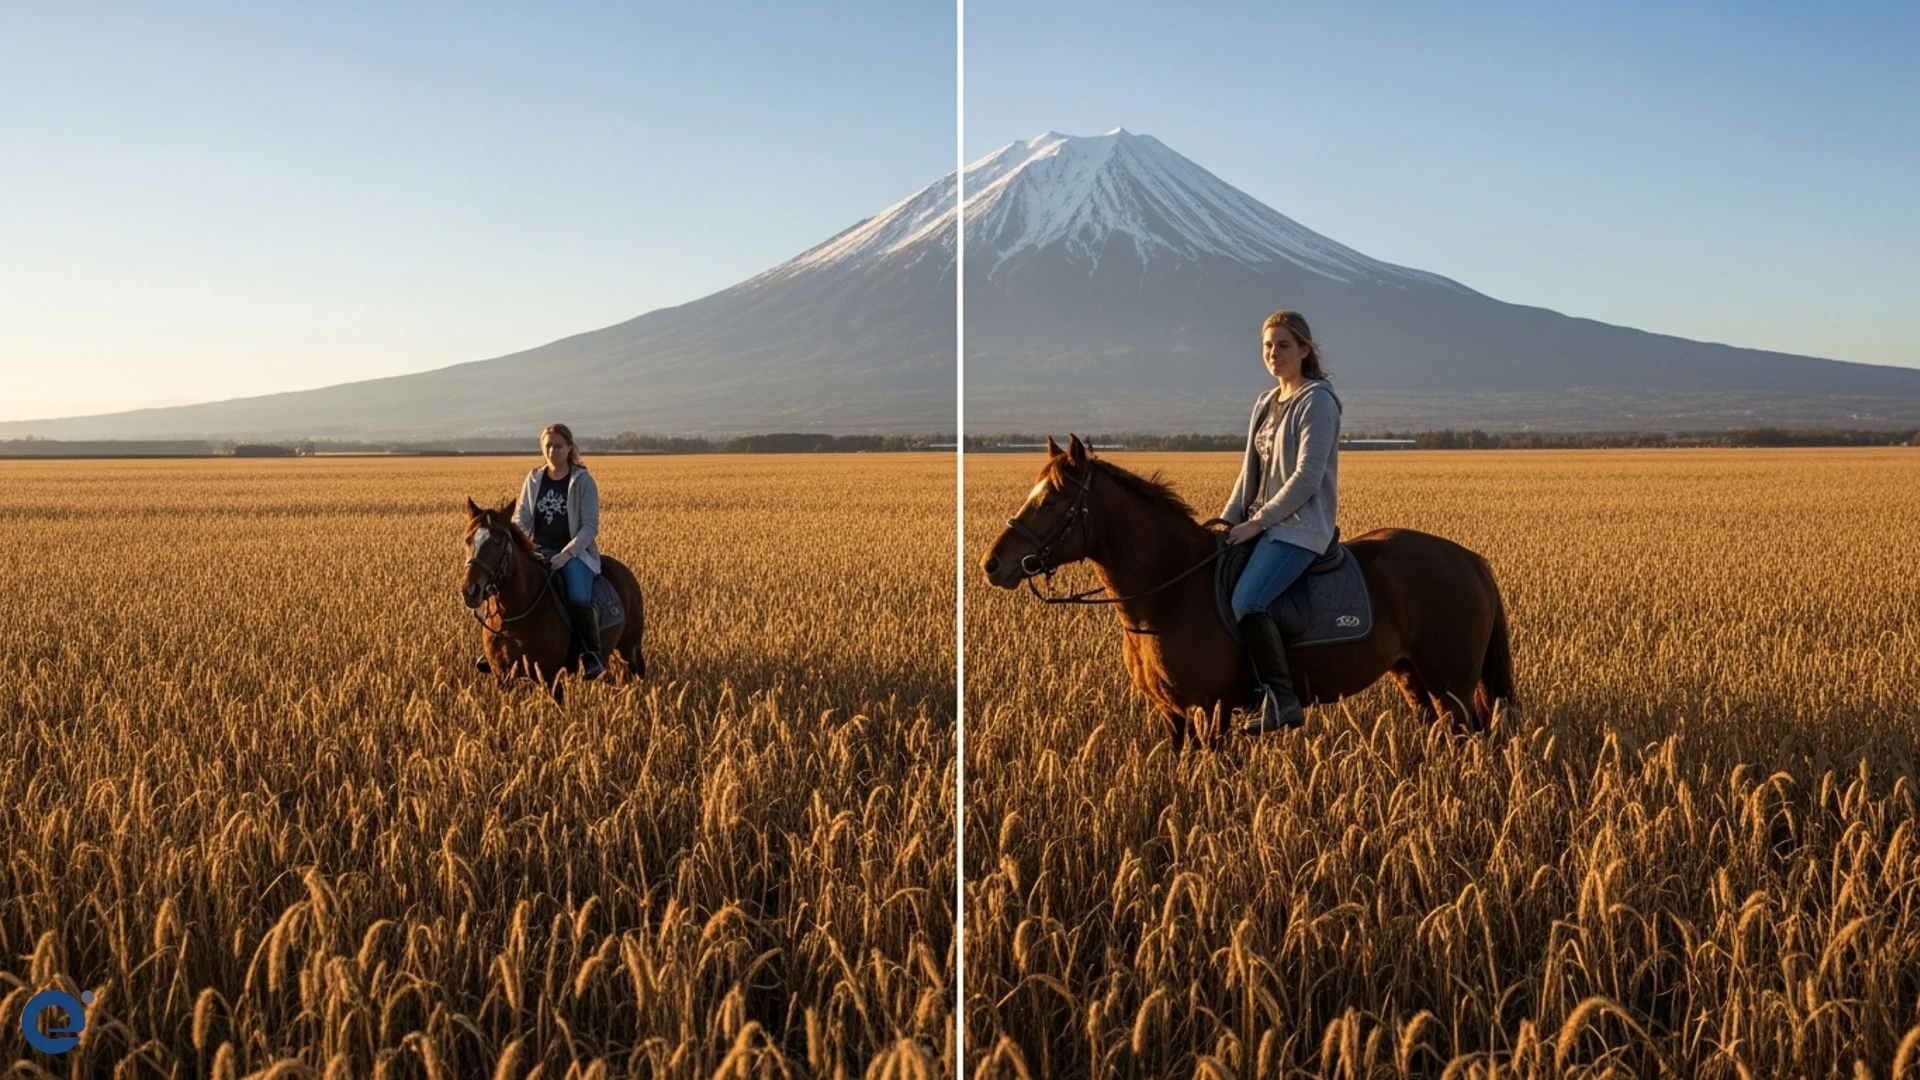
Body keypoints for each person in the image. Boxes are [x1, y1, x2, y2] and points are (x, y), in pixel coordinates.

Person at [1221, 310, 1342, 733]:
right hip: (1262, 523)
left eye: (1284, 345)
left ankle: (1282, 701)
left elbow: (1307, 478)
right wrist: (1226, 521)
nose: (1274, 353)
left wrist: (1259, 522)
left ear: (1305, 350)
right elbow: (1248, 474)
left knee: (1248, 601)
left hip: (1299, 528)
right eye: (1268, 345)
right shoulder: (1265, 402)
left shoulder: (1317, 400)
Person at [514, 422, 607, 679]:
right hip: (536, 550)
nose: (552, 451)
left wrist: (567, 554)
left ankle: (591, 653)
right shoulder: (534, 478)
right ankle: (502, 648)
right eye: (548, 446)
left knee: (577, 596)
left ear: (569, 448)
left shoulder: (582, 480)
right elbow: (522, 519)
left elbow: (589, 526)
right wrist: (517, 545)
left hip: (574, 553)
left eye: (558, 446)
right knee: (507, 585)